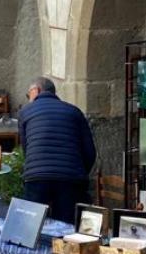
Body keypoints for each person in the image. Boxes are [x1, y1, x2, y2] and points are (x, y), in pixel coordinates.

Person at [19, 77, 96, 224]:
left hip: (37, 177)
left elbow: (27, 149)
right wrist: (78, 172)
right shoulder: (74, 112)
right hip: (70, 178)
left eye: (28, 95)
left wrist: (36, 167)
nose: (29, 99)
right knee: (67, 228)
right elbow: (89, 151)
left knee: (30, 227)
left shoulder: (26, 112)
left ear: (36, 90)